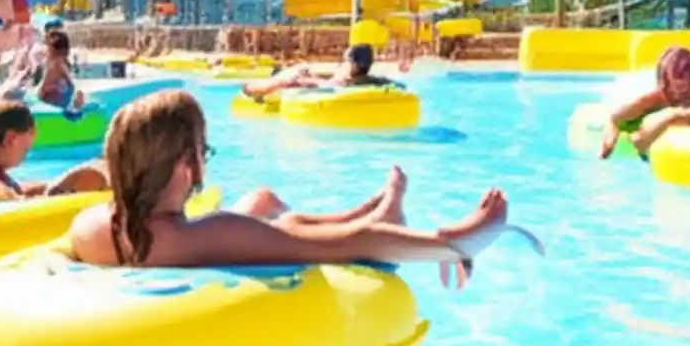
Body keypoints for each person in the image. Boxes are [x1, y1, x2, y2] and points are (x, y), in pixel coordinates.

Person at [68, 90, 543, 288]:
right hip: (215, 244)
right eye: (202, 151)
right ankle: (390, 213)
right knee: (288, 229)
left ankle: (376, 205)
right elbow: (353, 247)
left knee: (269, 209)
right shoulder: (202, 234)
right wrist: (452, 246)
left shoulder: (92, 226)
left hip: (196, 234)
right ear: (185, 166)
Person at [0, 98, 108, 202]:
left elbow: (22, 190)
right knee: (87, 174)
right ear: (11, 139)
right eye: (25, 150)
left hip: (8, 199)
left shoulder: (1, 178)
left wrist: (51, 186)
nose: (26, 155)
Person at [598, 46, 690, 158]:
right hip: (640, 138)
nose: (678, 91)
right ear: (664, 82)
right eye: (672, 85)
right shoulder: (651, 101)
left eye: (684, 84)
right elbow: (615, 120)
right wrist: (610, 140)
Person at [241, 44, 398, 100]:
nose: (340, 65)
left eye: (343, 61)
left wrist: (248, 88)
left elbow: (276, 85)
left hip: (304, 83)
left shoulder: (328, 84)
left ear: (351, 65)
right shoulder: (374, 81)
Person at [38, 30, 86, 111]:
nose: (43, 49)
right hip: (58, 101)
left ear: (52, 49)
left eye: (46, 45)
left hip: (54, 103)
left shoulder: (56, 64)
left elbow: (42, 91)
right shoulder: (59, 63)